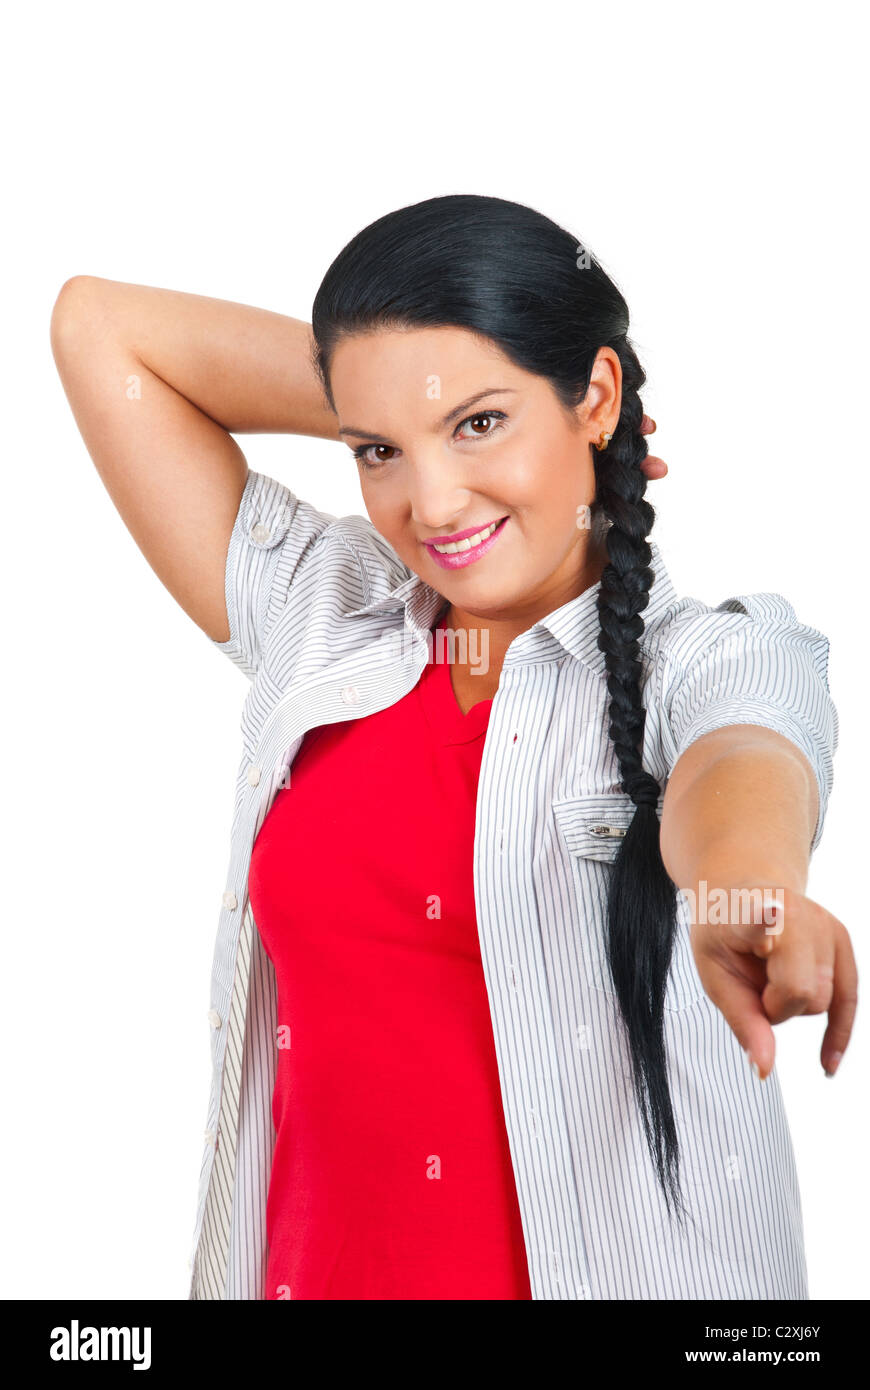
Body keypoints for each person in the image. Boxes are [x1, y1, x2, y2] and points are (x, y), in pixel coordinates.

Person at [50, 193, 854, 1301]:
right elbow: (98, 329)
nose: (428, 502)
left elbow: (743, 769)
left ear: (601, 397)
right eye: (377, 451)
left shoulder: (706, 656)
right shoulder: (322, 608)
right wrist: (413, 389)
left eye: (482, 425)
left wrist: (750, 898)